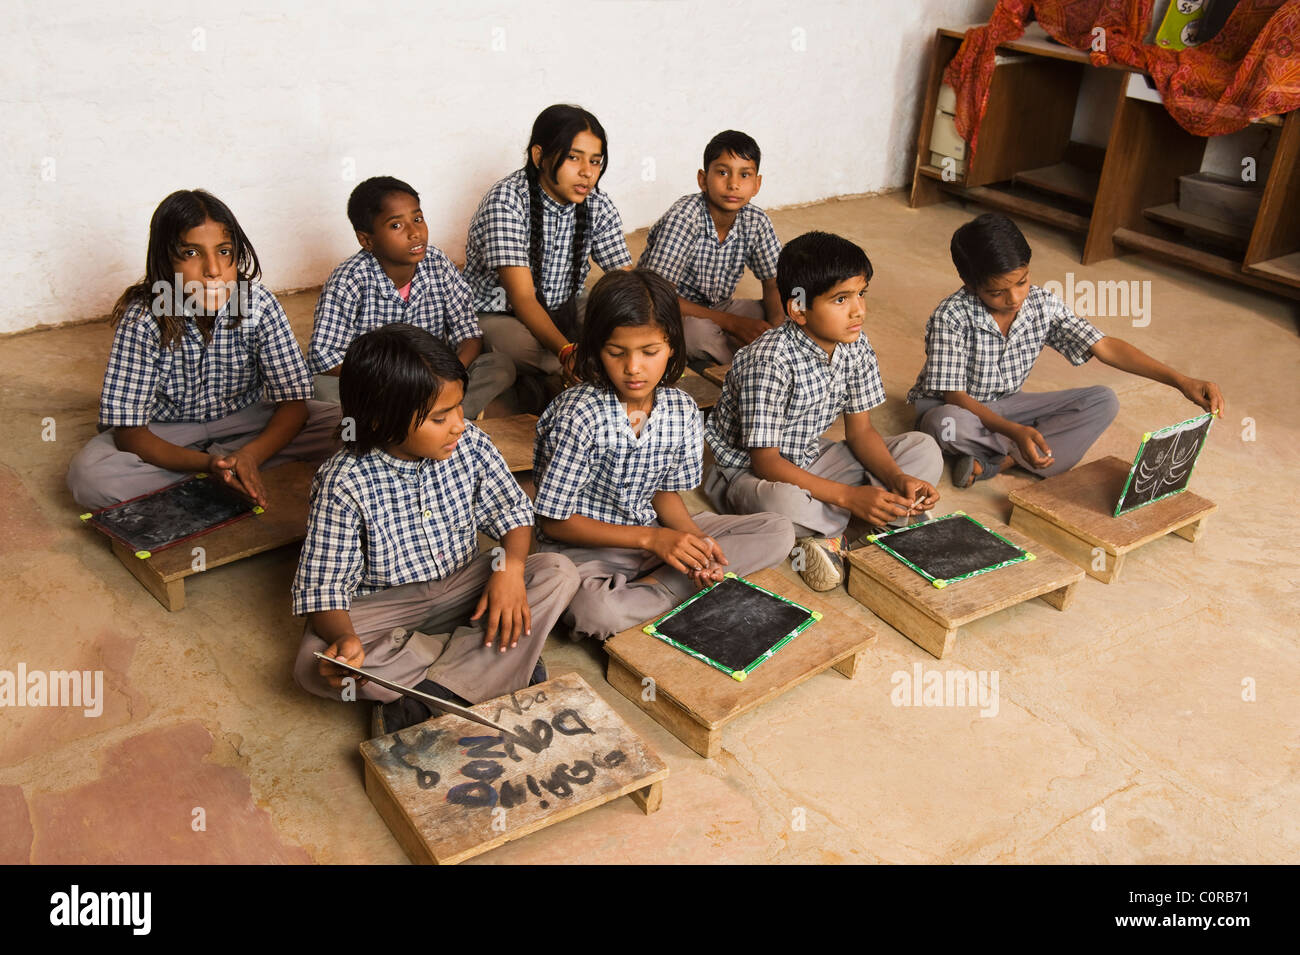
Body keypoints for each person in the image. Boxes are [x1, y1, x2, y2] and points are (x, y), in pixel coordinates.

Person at [291, 324, 578, 734]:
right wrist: (346, 641)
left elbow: (514, 513)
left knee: (556, 571)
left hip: (463, 587)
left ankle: (429, 690)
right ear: (381, 419)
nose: (459, 424)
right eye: (440, 417)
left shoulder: (472, 444)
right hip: (389, 606)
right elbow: (325, 585)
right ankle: (487, 665)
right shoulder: (344, 480)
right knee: (313, 661)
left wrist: (510, 570)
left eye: (459, 408)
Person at [532, 269, 793, 640]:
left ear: (672, 346)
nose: (634, 367)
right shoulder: (578, 415)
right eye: (616, 352)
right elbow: (555, 523)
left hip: (654, 535)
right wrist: (652, 541)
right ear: (595, 349)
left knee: (778, 531)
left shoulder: (682, 409)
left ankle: (659, 587)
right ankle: (668, 590)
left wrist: (696, 547)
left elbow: (664, 495)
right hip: (587, 550)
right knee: (594, 613)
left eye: (649, 352)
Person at [67, 189, 339, 510]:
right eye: (192, 253)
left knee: (351, 428)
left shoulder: (259, 304)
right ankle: (221, 471)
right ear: (165, 261)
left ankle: (237, 467)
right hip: (168, 433)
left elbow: (293, 405)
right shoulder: (143, 319)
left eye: (224, 251)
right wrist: (209, 464)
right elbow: (130, 433)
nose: (213, 270)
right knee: (91, 479)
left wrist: (250, 454)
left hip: (250, 421)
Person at [908, 213, 1224, 486]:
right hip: (956, 407)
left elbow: (1106, 347)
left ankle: (999, 460)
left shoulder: (1041, 304)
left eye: (1022, 282)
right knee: (943, 426)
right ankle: (1015, 450)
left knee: (1103, 401)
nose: (1015, 298)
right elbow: (954, 396)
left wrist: (1180, 381)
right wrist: (1015, 431)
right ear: (969, 283)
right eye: (997, 292)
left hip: (1007, 404)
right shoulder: (951, 315)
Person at [704, 232, 942, 592]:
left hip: (810, 459)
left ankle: (835, 531)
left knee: (923, 450)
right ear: (798, 308)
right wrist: (849, 496)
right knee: (780, 502)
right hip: (746, 475)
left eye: (861, 293)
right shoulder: (769, 361)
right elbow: (766, 462)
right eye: (841, 299)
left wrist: (896, 479)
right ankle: (865, 522)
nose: (858, 310)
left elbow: (861, 433)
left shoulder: (855, 344)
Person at [462, 104, 632, 409]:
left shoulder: (597, 203)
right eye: (573, 157)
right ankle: (563, 374)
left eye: (595, 161)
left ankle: (558, 376)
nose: (587, 172)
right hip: (499, 315)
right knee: (521, 347)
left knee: (616, 321)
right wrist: (567, 351)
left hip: (565, 308)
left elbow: (627, 280)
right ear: (539, 156)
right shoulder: (507, 201)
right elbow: (524, 299)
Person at [308, 176, 514, 418]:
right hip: (380, 383)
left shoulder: (437, 264)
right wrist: (393, 377)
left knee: (499, 367)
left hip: (435, 382)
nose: (415, 232)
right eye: (396, 226)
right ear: (366, 240)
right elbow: (322, 354)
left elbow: (468, 334)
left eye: (417, 219)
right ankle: (429, 419)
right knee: (322, 387)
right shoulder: (349, 280)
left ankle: (432, 417)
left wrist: (446, 377)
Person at [637, 129, 784, 364]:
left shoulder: (756, 220)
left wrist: (778, 331)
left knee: (774, 313)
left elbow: (774, 282)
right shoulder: (685, 217)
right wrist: (731, 323)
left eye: (744, 175)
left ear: (757, 184)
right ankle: (748, 367)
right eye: (723, 172)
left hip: (718, 307)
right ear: (703, 180)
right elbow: (657, 295)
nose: (733, 184)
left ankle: (774, 356)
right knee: (696, 335)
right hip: (669, 311)